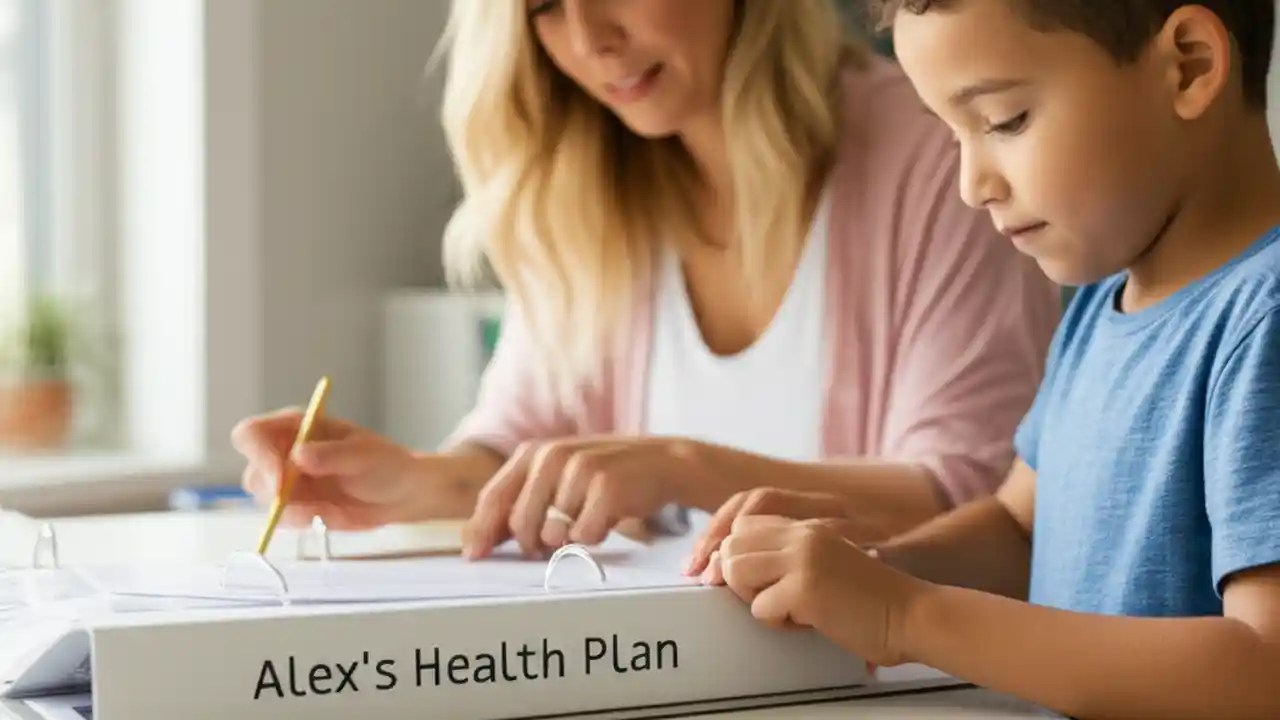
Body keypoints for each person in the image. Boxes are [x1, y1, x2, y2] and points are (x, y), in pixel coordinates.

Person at [232, 0, 1057, 560]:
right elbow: (528, 441)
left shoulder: (934, 158)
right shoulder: (591, 194)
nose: (590, 37)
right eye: (546, 5)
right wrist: (409, 482)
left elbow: (977, 507)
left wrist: (682, 467)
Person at [691, 1, 1280, 717]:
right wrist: (871, 570)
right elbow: (1020, 529)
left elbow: (1264, 667)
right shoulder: (1104, 302)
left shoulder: (1263, 320)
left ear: (1188, 65)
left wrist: (904, 616)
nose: (973, 185)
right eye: (953, 136)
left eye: (1004, 121)